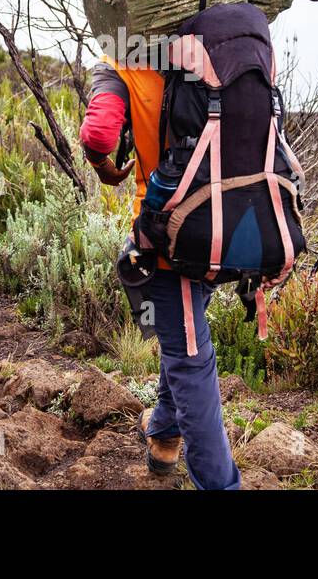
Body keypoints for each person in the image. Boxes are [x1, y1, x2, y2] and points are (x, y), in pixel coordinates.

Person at [79, 57, 242, 491]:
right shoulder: (222, 51)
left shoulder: (124, 61)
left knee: (189, 357)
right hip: (230, 228)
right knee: (183, 333)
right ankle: (165, 434)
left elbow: (98, 133)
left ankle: (219, 484)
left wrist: (103, 165)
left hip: (166, 239)